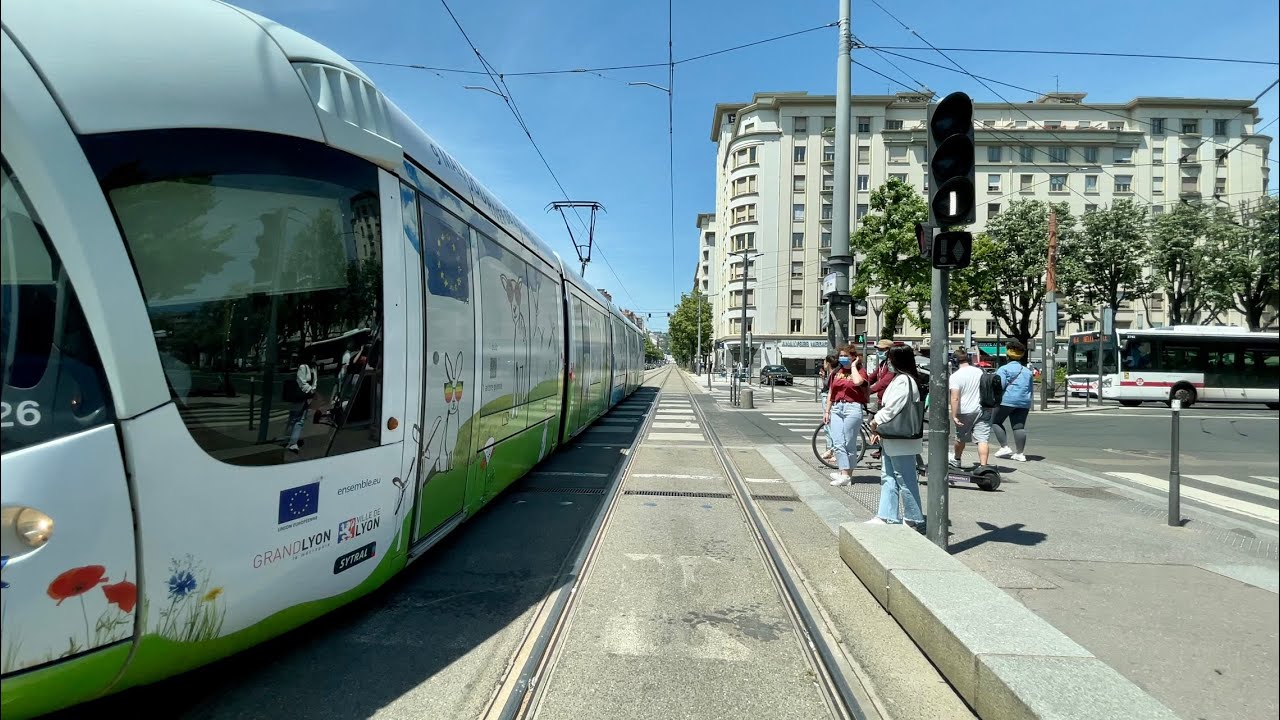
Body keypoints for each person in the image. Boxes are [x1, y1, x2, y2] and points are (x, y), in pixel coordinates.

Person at [866, 345, 926, 526]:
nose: (887, 362)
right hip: (894, 438)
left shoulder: (903, 381)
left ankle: (913, 517)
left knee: (904, 478)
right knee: (889, 476)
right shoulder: (901, 379)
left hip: (900, 438)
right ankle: (886, 515)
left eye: (890, 358)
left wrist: (875, 422)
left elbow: (892, 408)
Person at [825, 346, 869, 486]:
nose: (842, 358)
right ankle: (844, 473)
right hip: (837, 407)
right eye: (841, 356)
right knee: (838, 441)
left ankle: (847, 474)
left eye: (845, 355)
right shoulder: (837, 372)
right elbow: (831, 393)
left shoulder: (860, 371)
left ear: (853, 357)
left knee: (849, 442)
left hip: (853, 407)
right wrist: (827, 411)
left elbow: (857, 382)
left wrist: (854, 366)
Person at [991, 341, 1034, 462]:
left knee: (995, 421)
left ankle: (1004, 447)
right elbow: (1030, 387)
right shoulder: (1027, 371)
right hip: (1023, 402)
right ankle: (1020, 453)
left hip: (1007, 400)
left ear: (1008, 355)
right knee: (1019, 427)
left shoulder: (1003, 369)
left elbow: (1000, 385)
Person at [948, 348, 989, 467]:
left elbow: (955, 398)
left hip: (964, 411)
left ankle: (957, 459)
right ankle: (983, 466)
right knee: (982, 439)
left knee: (961, 438)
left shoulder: (955, 376)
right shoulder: (979, 372)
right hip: (981, 409)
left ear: (954, 361)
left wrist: (954, 415)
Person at [285, 350, 317, 453]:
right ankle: (288, 439)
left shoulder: (313, 368)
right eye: (313, 355)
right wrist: (310, 389)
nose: (315, 357)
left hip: (307, 396)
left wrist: (313, 390)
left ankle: (293, 443)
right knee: (294, 418)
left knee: (301, 419)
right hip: (300, 396)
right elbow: (301, 381)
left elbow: (315, 380)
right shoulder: (303, 367)